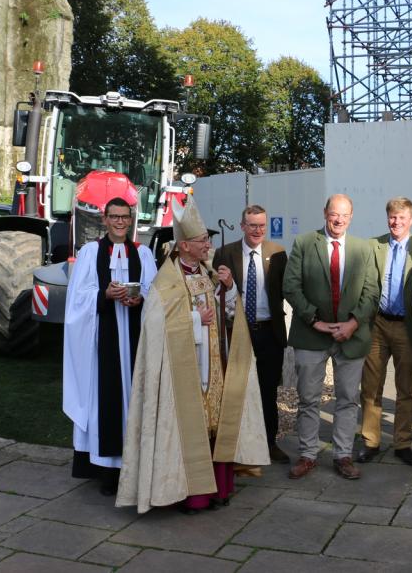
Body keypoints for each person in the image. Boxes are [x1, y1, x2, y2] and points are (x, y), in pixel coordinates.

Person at [116, 195, 268, 514]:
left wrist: (229, 288)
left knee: (215, 427)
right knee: (188, 430)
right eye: (201, 241)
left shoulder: (210, 273)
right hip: (181, 372)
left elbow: (228, 313)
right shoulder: (165, 281)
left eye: (206, 241)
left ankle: (218, 490)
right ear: (184, 245)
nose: (207, 247)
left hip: (214, 369)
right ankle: (191, 496)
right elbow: (154, 322)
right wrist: (196, 319)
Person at [63, 197, 158, 495]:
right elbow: (77, 300)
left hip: (133, 338)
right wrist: (104, 295)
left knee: (132, 398)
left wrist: (139, 298)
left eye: (124, 217)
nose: (119, 222)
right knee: (104, 400)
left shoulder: (143, 255)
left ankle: (132, 466)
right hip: (100, 339)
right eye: (114, 217)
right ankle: (105, 469)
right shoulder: (91, 253)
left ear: (131, 220)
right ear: (104, 219)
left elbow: (154, 293)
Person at [282, 194, 379, 481]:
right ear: (325, 213)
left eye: (345, 215)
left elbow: (372, 291)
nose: (338, 220)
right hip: (312, 335)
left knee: (348, 399)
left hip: (352, 336)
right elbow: (291, 286)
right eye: (334, 214)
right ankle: (308, 454)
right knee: (308, 399)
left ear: (351, 217)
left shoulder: (364, 248)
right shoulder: (303, 243)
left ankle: (342, 455)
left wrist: (353, 322)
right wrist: (314, 320)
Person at [357, 197, 412, 467]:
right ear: (387, 218)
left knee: (405, 387)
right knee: (371, 386)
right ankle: (370, 441)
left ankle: (402, 443)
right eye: (392, 216)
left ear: (411, 220)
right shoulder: (373, 245)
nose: (396, 222)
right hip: (377, 324)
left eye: (402, 217)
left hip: (407, 325)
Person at [213, 204, 290, 463]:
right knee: (235, 389)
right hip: (238, 331)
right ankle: (235, 445)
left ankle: (269, 443)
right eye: (252, 225)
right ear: (243, 225)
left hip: (269, 332)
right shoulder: (225, 253)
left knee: (268, 390)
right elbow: (216, 293)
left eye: (262, 225)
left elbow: (285, 289)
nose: (257, 230)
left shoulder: (277, 253)